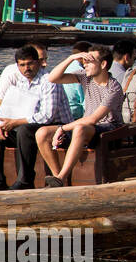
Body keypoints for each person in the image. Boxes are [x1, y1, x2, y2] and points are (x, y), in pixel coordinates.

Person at [35, 45, 124, 187]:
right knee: (42, 133)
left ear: (103, 64)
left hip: (109, 129)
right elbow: (53, 78)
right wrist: (71, 58)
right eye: (84, 60)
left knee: (80, 128)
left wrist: (63, 128)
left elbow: (94, 119)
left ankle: (62, 178)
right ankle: (57, 178)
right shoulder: (85, 77)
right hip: (86, 128)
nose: (85, 64)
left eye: (89, 61)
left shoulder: (114, 88)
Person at [0, 47, 44, 190]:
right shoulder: (17, 81)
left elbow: (46, 116)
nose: (27, 68)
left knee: (24, 130)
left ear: (37, 63)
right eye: (22, 65)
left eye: (30, 64)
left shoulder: (47, 81)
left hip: (41, 125)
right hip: (21, 124)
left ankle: (25, 181)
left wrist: (14, 123)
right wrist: (4, 125)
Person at [62, 41, 92, 120]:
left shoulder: (67, 67)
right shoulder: (81, 72)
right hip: (75, 116)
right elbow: (86, 103)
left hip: (64, 112)